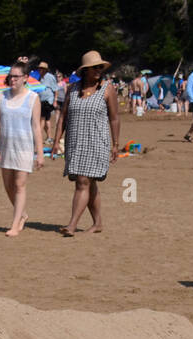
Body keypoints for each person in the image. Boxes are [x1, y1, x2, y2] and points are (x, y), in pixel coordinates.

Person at [54, 51, 119, 236]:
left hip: (97, 142)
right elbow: (63, 117)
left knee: (83, 181)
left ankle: (72, 225)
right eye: (94, 67)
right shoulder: (73, 89)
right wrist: (57, 139)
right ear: (85, 70)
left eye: (100, 67)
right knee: (89, 183)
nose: (98, 70)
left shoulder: (107, 89)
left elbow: (114, 119)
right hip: (75, 142)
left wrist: (115, 144)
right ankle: (97, 223)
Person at [0, 60, 44, 236]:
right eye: (10, 76)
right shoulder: (1, 96)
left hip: (24, 147)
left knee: (20, 185)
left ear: (25, 78)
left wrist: (40, 153)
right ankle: (22, 215)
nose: (12, 79)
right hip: (5, 147)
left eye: (16, 76)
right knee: (8, 186)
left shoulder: (33, 98)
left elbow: (37, 127)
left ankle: (15, 224)